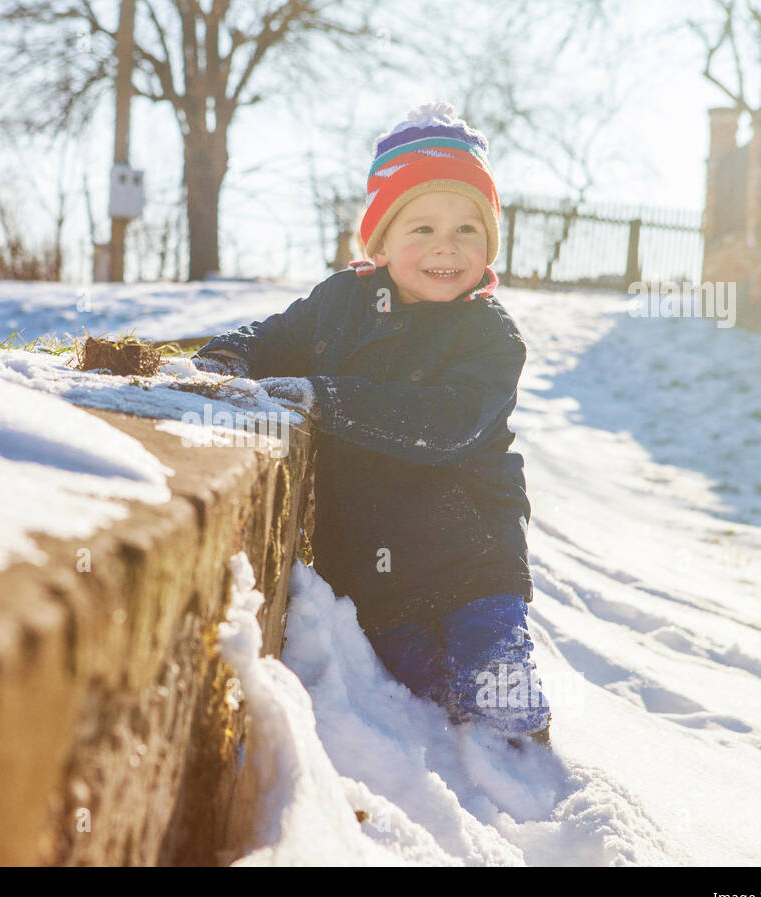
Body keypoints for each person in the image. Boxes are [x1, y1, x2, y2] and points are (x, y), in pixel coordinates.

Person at [192, 102, 550, 742]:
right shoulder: (339, 302)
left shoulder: (490, 338)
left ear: (490, 246)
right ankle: (450, 716)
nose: (446, 245)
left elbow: (446, 425)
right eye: (421, 229)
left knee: (500, 705)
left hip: (473, 562)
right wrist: (227, 357)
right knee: (425, 693)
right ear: (379, 241)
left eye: (469, 229)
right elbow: (272, 337)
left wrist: (325, 397)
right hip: (374, 576)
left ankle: (529, 764)